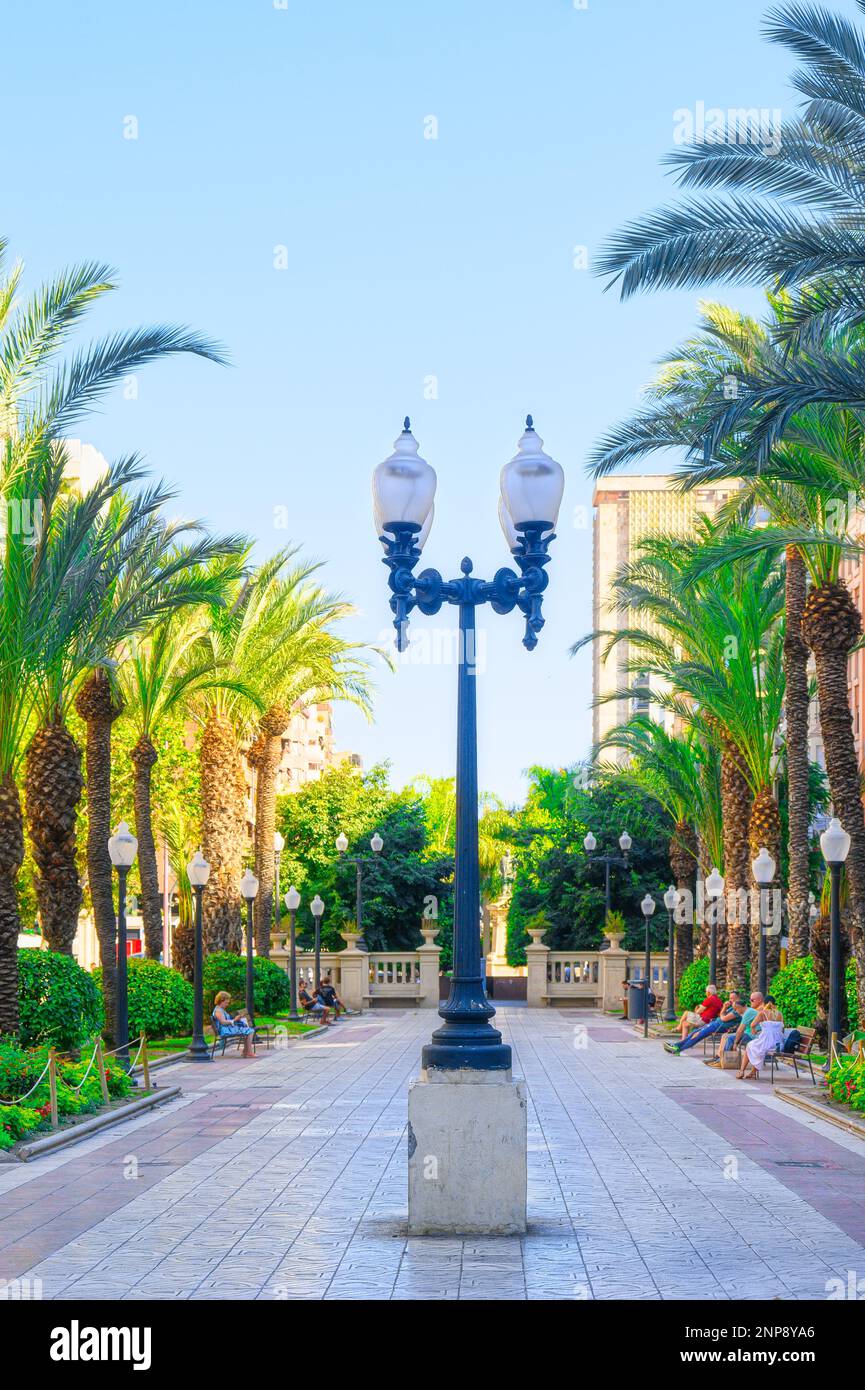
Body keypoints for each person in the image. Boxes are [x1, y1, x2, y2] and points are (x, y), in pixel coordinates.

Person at [665, 990, 743, 1055]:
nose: (730, 1000)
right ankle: (676, 1046)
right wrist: (724, 1008)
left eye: (732, 998)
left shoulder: (737, 1010)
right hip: (715, 1023)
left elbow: (723, 1018)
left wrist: (724, 1009)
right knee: (695, 1032)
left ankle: (677, 1049)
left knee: (698, 1035)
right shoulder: (733, 1007)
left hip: (719, 1026)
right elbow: (722, 1015)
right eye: (730, 998)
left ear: (738, 998)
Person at [737, 996, 785, 1080]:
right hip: (778, 1044)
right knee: (757, 1047)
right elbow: (782, 1028)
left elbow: (752, 1025)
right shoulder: (780, 1014)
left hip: (767, 1043)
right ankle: (753, 1072)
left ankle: (741, 1071)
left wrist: (754, 1031)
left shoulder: (763, 1013)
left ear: (764, 1003)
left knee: (750, 1046)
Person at [211, 991, 255, 1058]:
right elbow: (223, 1022)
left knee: (249, 1030)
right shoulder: (218, 1011)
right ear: (221, 1001)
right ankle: (248, 1052)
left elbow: (227, 1021)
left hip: (228, 1029)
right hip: (225, 1031)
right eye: (226, 1002)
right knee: (250, 1031)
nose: (227, 1004)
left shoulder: (221, 1009)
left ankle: (246, 1052)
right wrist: (234, 1020)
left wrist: (236, 1019)